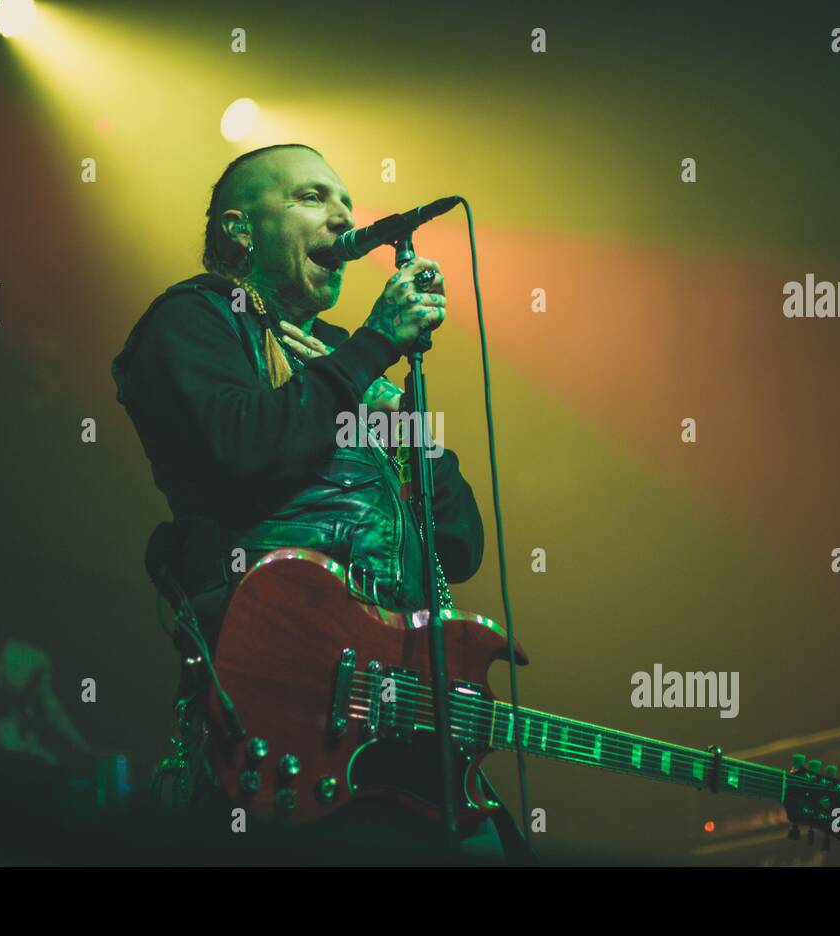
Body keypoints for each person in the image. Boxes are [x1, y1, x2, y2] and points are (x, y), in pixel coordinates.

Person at [112, 143, 529, 861]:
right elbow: (241, 449)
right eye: (311, 197)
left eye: (345, 200)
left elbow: (459, 547)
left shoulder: (343, 359)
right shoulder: (193, 321)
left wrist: (404, 424)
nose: (343, 215)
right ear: (241, 229)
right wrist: (368, 348)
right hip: (290, 709)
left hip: (396, 705)